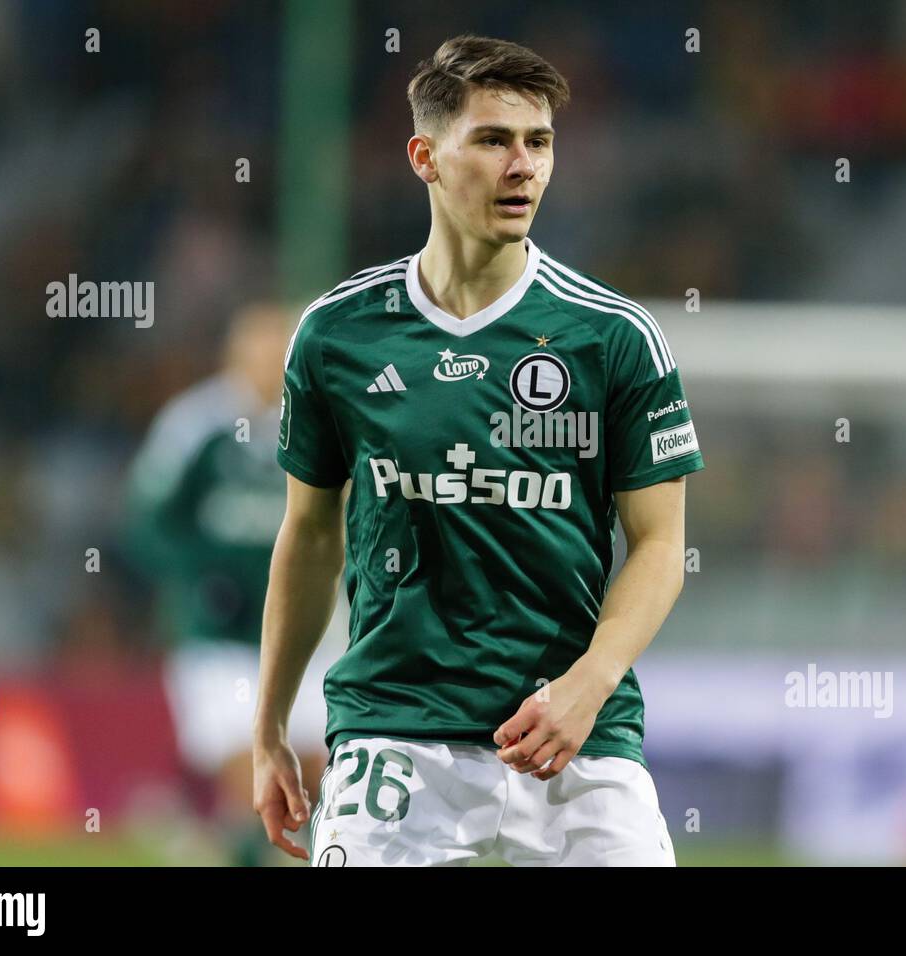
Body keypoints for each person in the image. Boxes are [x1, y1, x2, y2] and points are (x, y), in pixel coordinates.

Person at [253, 34, 703, 866]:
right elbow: (309, 535)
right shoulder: (337, 335)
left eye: (540, 142)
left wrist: (590, 681)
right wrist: (272, 727)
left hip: (576, 738)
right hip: (396, 732)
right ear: (425, 156)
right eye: (494, 140)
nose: (523, 166)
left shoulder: (613, 338)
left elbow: (661, 543)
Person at [122, 302, 332, 865]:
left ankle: (212, 844)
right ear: (233, 356)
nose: (270, 363)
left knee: (315, 767)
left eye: (280, 349)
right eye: (259, 350)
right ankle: (227, 843)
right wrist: (200, 575)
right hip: (218, 634)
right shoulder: (196, 426)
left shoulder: (319, 418)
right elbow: (146, 522)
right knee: (247, 768)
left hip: (307, 632)